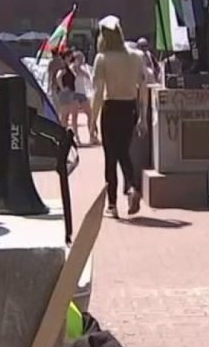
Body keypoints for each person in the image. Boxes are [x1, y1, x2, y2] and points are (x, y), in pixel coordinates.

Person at [92, 16, 150, 218]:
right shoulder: (136, 56)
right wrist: (142, 116)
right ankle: (132, 187)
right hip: (130, 107)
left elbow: (98, 92)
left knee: (111, 157)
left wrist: (92, 121)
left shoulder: (102, 59)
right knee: (124, 151)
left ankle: (112, 204)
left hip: (111, 107)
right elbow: (143, 87)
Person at [70, 50, 99, 146]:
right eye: (80, 58)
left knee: (89, 114)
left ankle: (92, 136)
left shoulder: (83, 69)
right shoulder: (71, 68)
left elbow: (89, 77)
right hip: (74, 93)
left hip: (82, 93)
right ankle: (76, 138)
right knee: (74, 116)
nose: (82, 60)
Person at [54, 52, 79, 135]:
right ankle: (63, 134)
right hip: (66, 92)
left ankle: (69, 135)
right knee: (65, 116)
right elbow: (58, 77)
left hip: (70, 92)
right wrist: (62, 88)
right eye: (69, 56)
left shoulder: (68, 67)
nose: (70, 58)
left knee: (68, 115)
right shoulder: (64, 68)